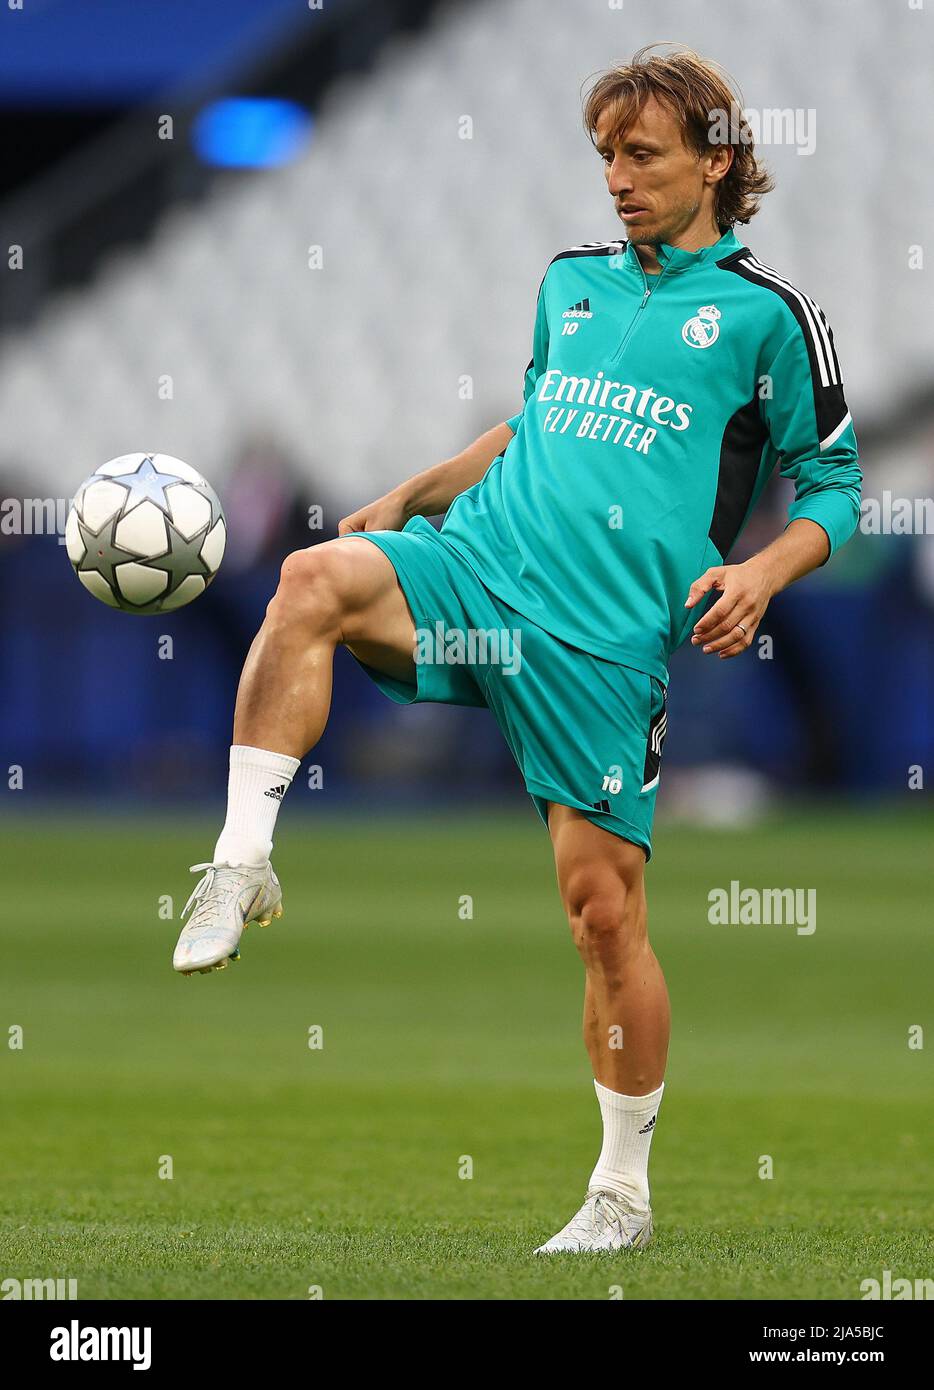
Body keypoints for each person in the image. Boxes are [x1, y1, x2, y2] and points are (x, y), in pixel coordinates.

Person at [172, 45, 861, 1254]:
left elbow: (836, 486)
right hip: (477, 565)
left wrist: (760, 569)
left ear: (716, 159)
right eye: (604, 154)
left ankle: (621, 1195)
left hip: (601, 641)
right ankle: (240, 861)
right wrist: (411, 489)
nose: (616, 178)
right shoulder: (568, 283)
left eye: (641, 154)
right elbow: (533, 419)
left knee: (603, 918)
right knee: (310, 580)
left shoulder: (767, 318)